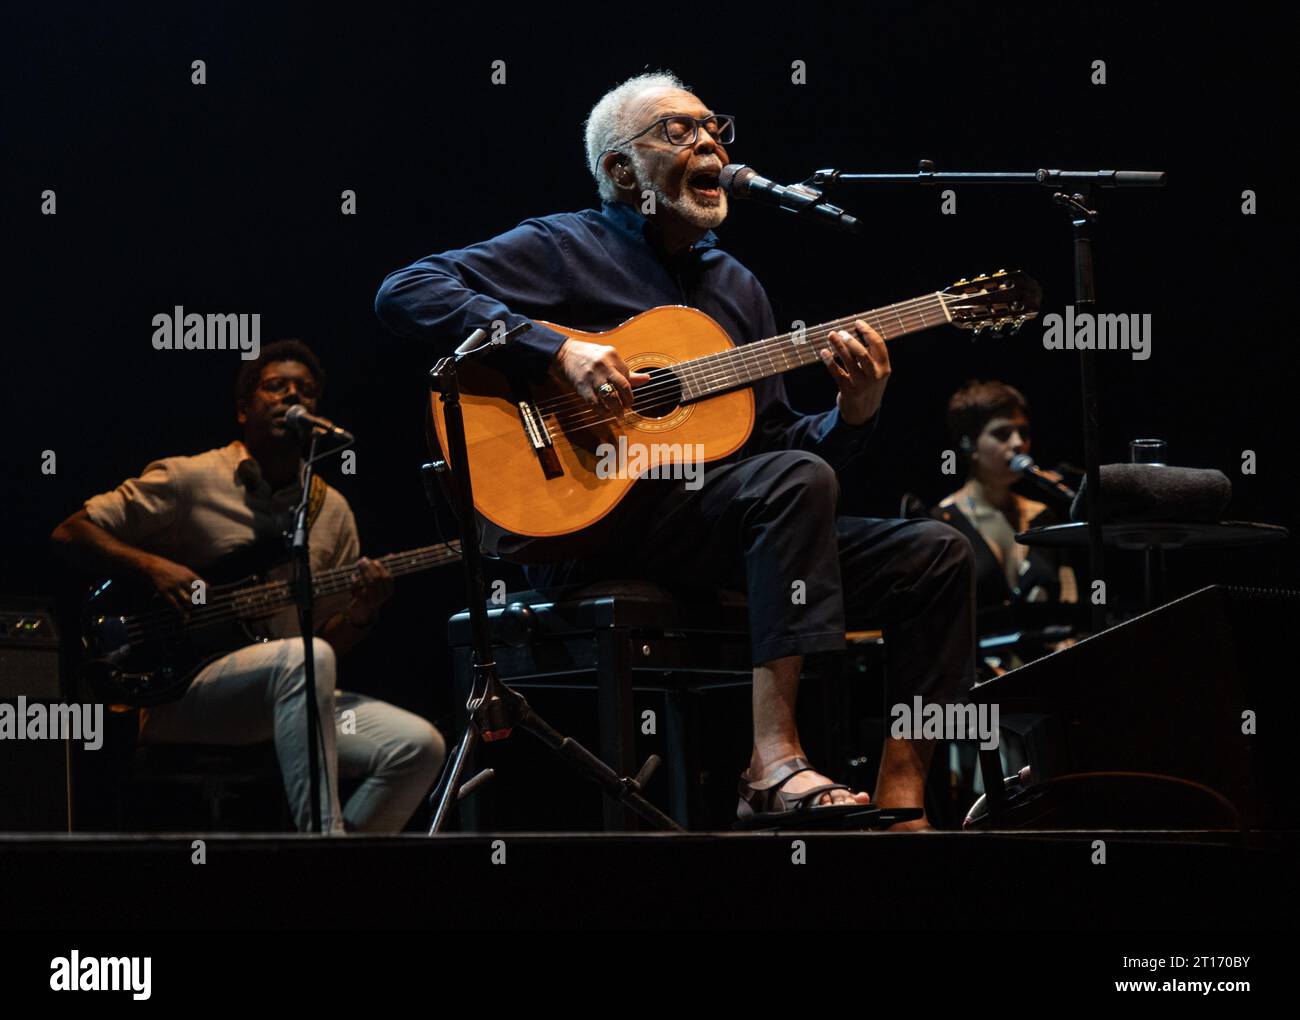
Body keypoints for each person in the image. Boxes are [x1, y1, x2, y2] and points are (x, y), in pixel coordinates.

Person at [375, 72, 976, 828]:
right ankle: (772, 762)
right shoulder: (565, 247)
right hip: (589, 521)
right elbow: (407, 289)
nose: (710, 143)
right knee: (792, 481)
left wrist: (853, 414)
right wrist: (554, 351)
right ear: (621, 170)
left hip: (715, 526)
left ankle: (904, 798)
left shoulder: (736, 286)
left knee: (936, 554)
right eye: (678, 131)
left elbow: (781, 446)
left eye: (714, 128)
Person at [51, 339, 445, 833]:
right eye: (275, 386)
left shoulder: (333, 510)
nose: (291, 397)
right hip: (184, 694)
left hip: (287, 691)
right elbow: (71, 532)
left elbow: (326, 641)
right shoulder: (189, 479)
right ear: (243, 409)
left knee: (417, 746)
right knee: (306, 659)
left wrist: (363, 613)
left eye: (305, 390)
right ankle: (326, 847)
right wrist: (154, 567)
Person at [933, 380, 1078, 623]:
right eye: (1002, 434)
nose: (1017, 443)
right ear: (970, 444)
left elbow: (1069, 599)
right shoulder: (942, 523)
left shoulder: (1042, 515)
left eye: (1023, 432)